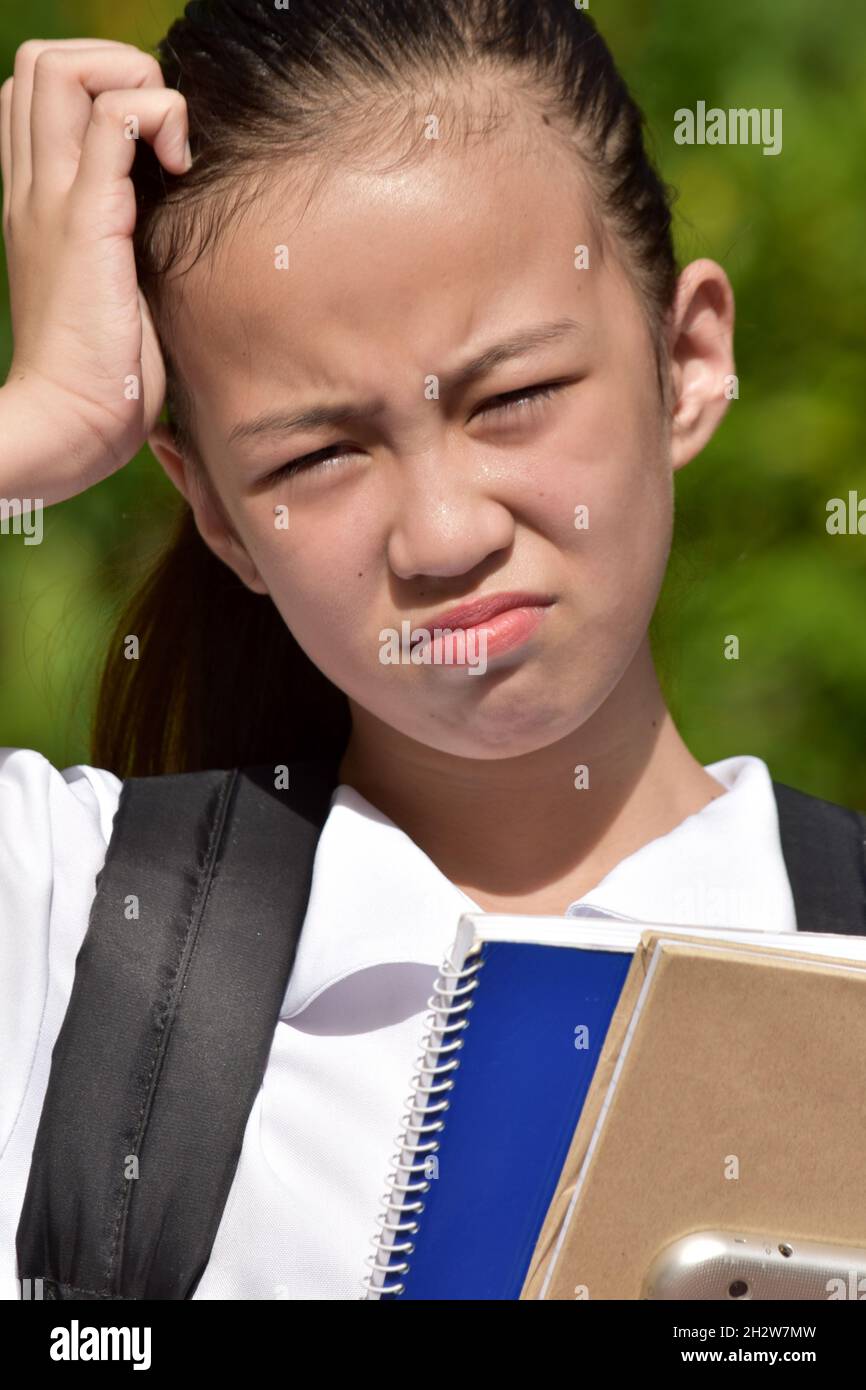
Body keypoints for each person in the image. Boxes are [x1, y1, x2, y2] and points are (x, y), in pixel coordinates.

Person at [0, 1, 859, 1301]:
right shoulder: (65, 932)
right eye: (316, 455)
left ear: (688, 360)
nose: (444, 534)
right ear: (218, 512)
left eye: (512, 397)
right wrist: (39, 421)